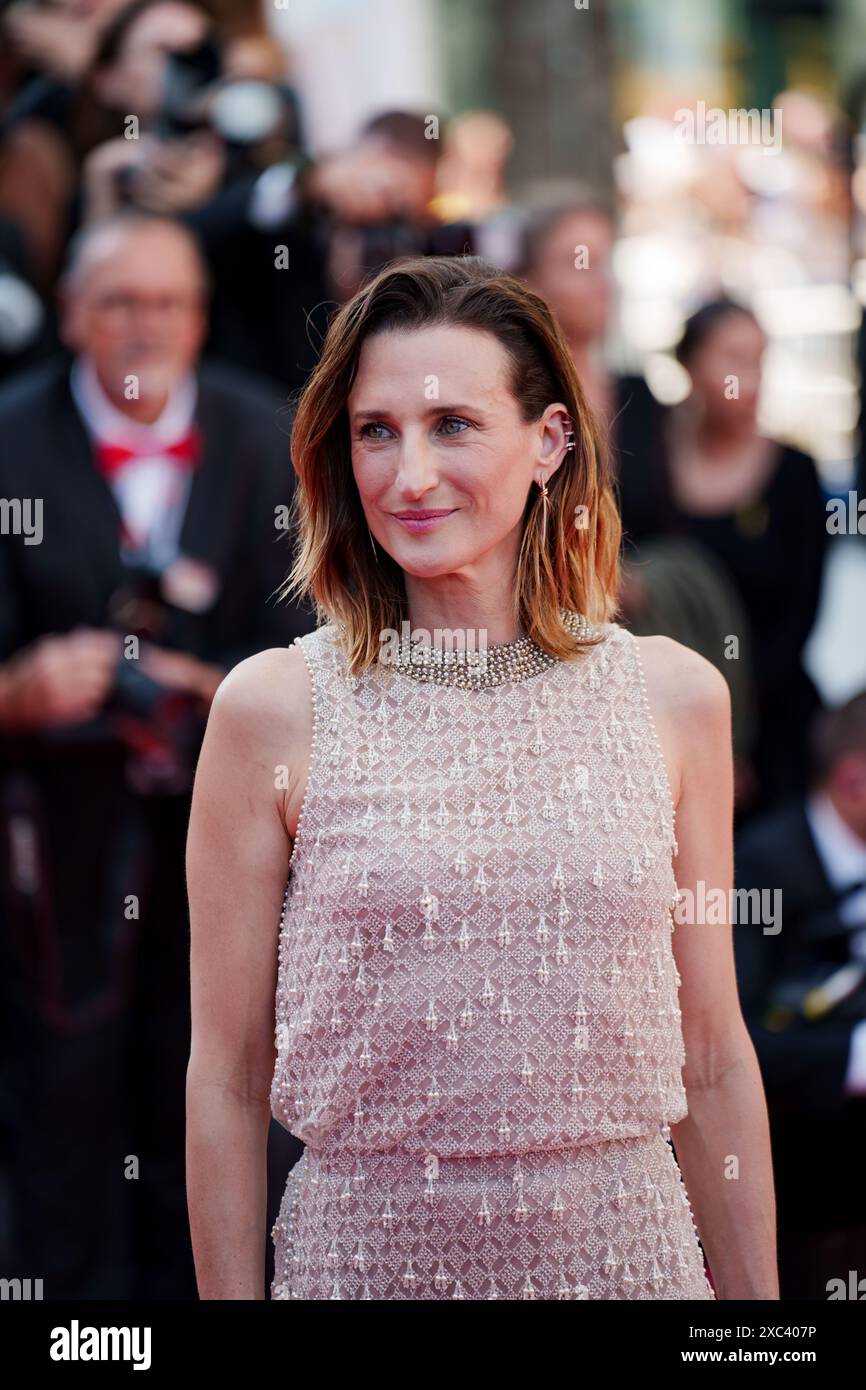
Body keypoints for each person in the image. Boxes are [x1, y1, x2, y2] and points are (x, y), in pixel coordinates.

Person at [186, 253, 778, 1301]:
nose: (407, 475)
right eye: (376, 430)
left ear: (548, 440)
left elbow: (712, 1055)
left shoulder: (671, 698)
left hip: (626, 1262)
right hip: (360, 1266)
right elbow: (227, 1079)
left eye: (452, 424)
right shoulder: (271, 708)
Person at [0, 209, 313, 1297]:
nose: (144, 325)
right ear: (75, 313)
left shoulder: (265, 431)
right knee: (61, 1106)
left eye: (167, 301)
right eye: (119, 301)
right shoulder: (11, 434)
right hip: (54, 853)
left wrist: (216, 686)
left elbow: (318, 637)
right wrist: (19, 691)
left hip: (231, 844)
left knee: (227, 1081)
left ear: (200, 314)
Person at [616, 298, 829, 817]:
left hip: (767, 725)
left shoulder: (795, 474)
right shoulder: (649, 459)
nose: (751, 379)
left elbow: (798, 620)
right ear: (690, 366)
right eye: (733, 359)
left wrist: (730, 737)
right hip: (653, 719)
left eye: (760, 360)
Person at [733, 691, 866, 1299]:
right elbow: (729, 1048)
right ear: (855, 779)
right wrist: (857, 1056)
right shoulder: (752, 872)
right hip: (793, 1187)